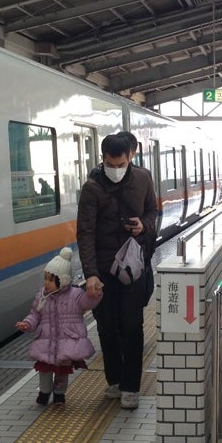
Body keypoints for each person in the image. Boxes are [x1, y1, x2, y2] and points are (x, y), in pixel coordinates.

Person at [77, 133, 158, 410]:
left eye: (120, 163)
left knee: (133, 326)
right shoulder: (91, 189)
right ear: (102, 159)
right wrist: (91, 273)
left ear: (131, 157)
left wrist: (143, 226)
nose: (114, 169)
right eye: (109, 164)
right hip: (102, 269)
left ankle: (131, 387)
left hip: (133, 266)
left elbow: (152, 211)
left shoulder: (143, 179)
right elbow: (85, 233)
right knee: (107, 326)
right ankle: (114, 380)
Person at [15, 247, 101, 406]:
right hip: (46, 342)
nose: (46, 283)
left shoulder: (75, 296)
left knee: (62, 373)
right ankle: (44, 391)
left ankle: (59, 394)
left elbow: (87, 303)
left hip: (65, 343)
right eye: (45, 278)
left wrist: (95, 295)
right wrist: (27, 324)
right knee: (45, 371)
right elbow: (35, 314)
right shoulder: (42, 296)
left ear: (63, 280)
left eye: (50, 279)